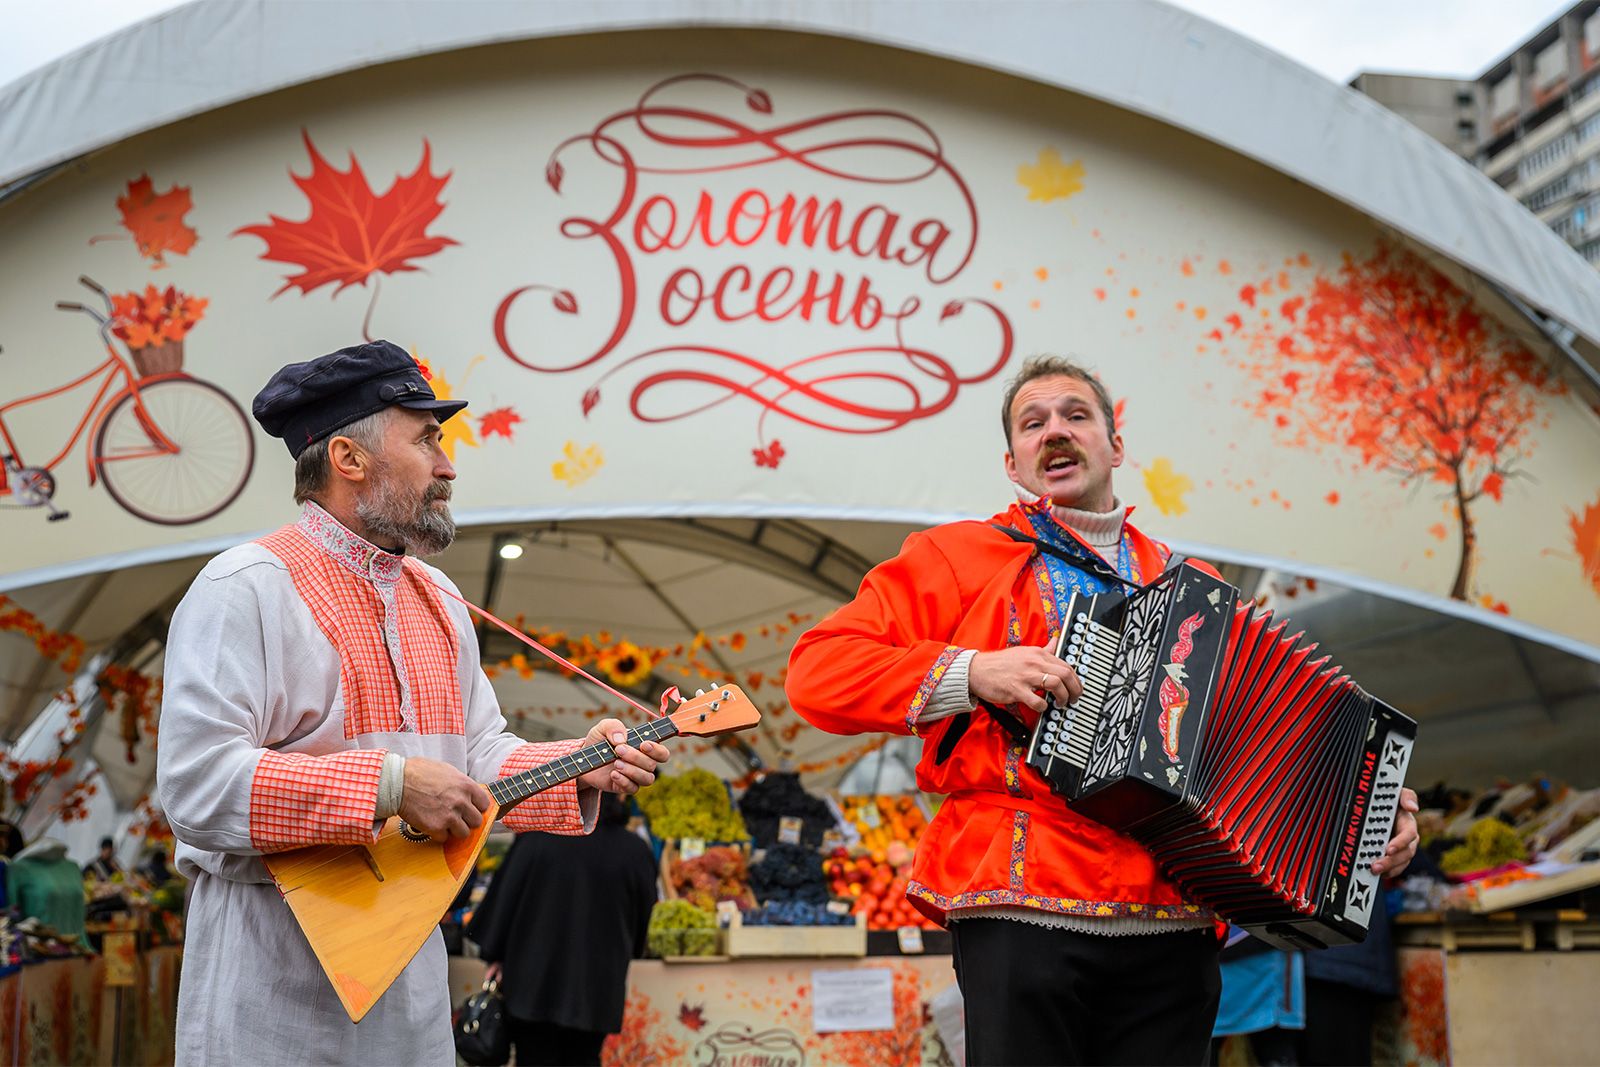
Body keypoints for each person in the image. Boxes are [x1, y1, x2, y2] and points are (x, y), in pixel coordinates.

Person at [786, 355, 1420, 1066]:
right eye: (1034, 423)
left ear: (1115, 446)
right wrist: (973, 670)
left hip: (1173, 918)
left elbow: (1262, 739)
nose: (1055, 431)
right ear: (1013, 462)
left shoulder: (1193, 583)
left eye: (1075, 415)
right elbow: (817, 671)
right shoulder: (958, 554)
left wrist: (1367, 810)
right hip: (1023, 904)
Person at [156, 340, 670, 1066]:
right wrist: (391, 783)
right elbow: (195, 786)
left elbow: (479, 756)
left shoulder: (441, 599)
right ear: (348, 456)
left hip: (410, 978)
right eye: (428, 438)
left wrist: (581, 764)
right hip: (272, 977)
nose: (448, 464)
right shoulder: (244, 586)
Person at [467, 793, 657, 1065]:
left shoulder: (535, 840)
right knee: (585, 1058)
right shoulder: (635, 851)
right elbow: (643, 919)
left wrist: (494, 952)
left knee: (533, 1058)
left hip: (531, 985)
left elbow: (504, 901)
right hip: (595, 988)